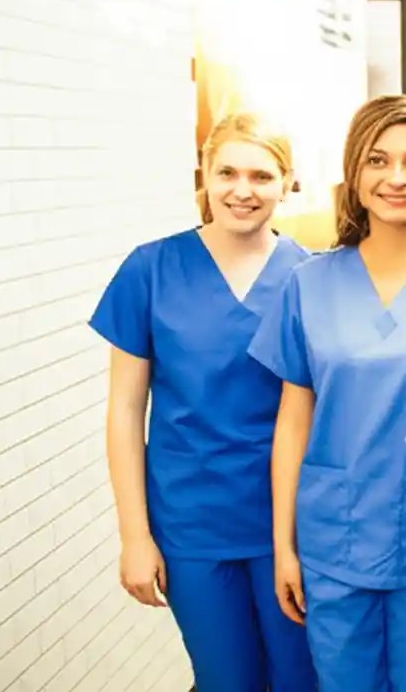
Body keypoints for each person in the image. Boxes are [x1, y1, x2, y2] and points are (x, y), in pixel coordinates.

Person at [248, 95, 406, 691]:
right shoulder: (309, 284)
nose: (396, 178)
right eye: (378, 161)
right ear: (355, 175)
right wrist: (284, 544)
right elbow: (292, 422)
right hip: (334, 543)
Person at [90, 112, 316, 691]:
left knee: (298, 679)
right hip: (190, 526)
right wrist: (135, 536)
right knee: (227, 680)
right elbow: (123, 413)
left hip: (289, 528)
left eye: (262, 176)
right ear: (205, 177)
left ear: (288, 182)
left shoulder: (312, 278)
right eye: (228, 173)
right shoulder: (151, 269)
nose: (243, 191)